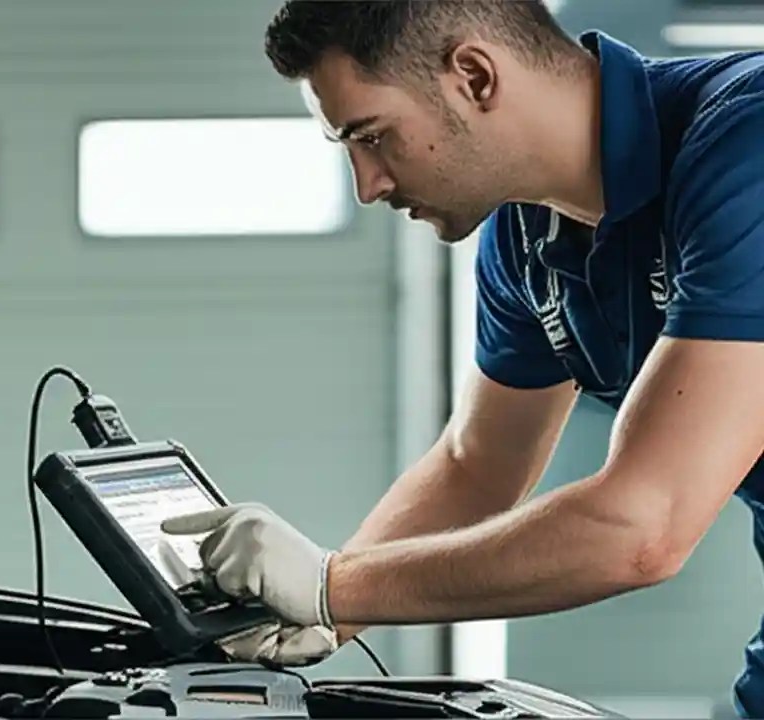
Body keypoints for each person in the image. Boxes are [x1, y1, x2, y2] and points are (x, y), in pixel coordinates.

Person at [158, 0, 764, 715]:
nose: (368, 185)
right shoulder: (525, 237)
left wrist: (333, 586)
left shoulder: (746, 145)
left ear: (474, 77)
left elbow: (643, 525)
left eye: (373, 136)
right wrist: (320, 612)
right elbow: (476, 465)